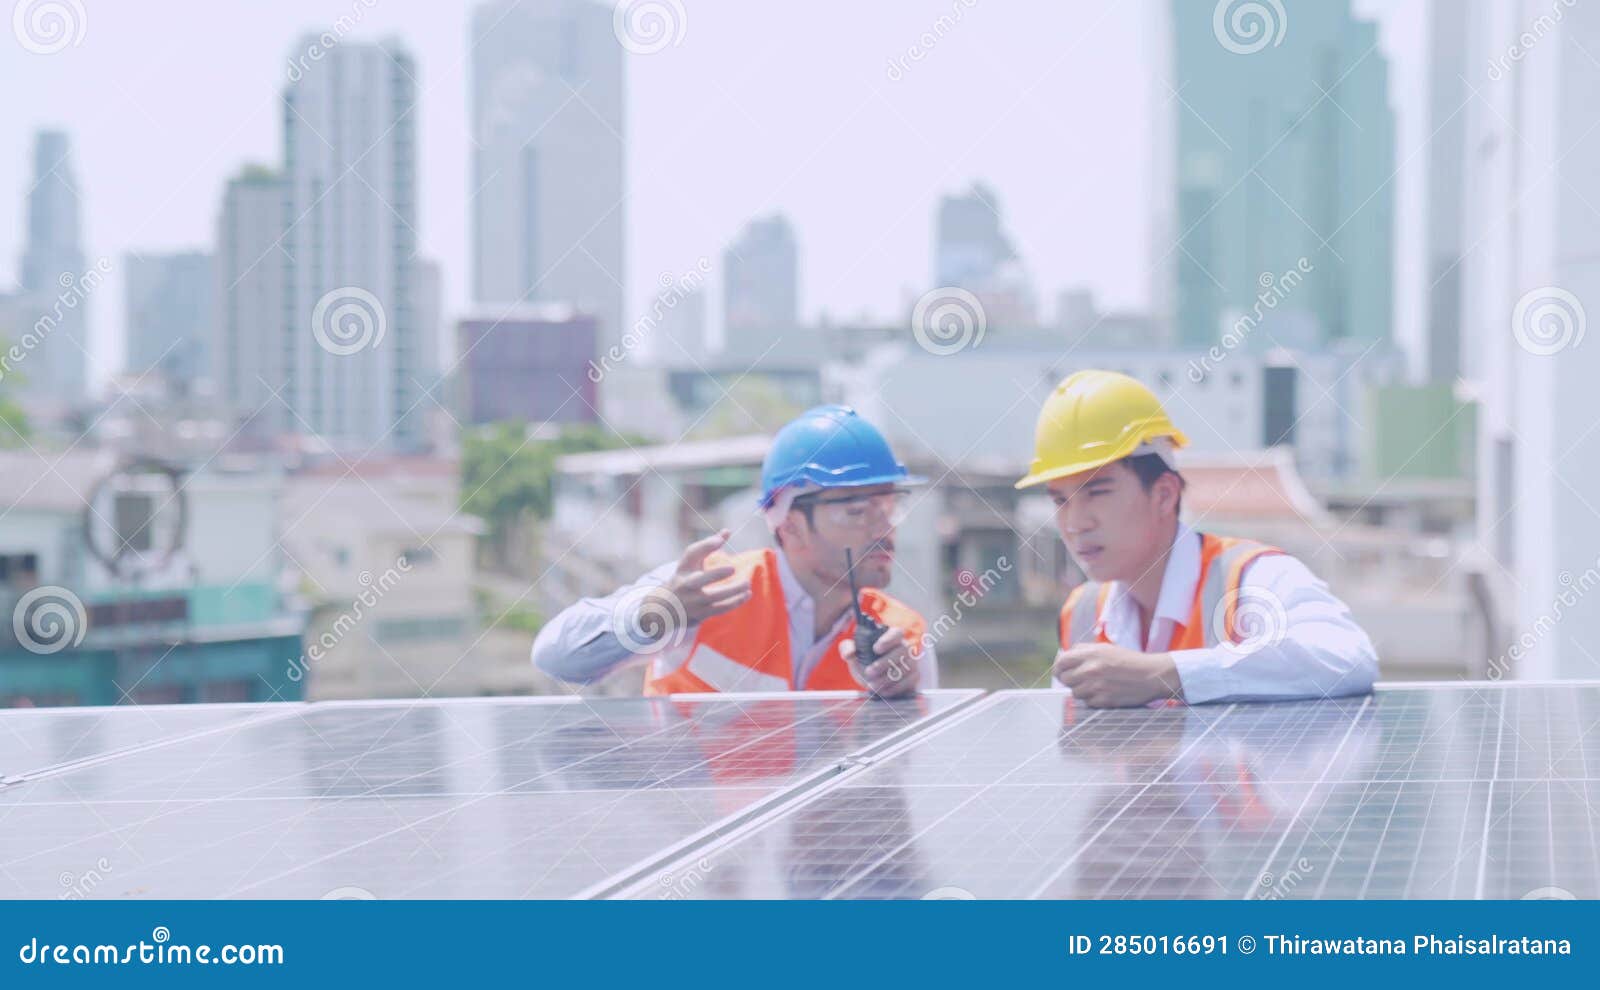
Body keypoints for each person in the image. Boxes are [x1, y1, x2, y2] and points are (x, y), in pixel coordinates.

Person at [1014, 369, 1377, 707]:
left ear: (1164, 495)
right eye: (1061, 500)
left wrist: (1166, 673)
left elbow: (1346, 656)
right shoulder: (1082, 613)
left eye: (1097, 492)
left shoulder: (1250, 579)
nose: (1075, 523)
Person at [531, 404, 936, 697]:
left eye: (889, 505)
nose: (885, 526)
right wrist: (654, 614)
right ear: (791, 524)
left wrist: (900, 699)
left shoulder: (904, 637)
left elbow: (903, 785)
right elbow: (555, 655)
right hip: (687, 815)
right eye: (857, 510)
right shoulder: (706, 593)